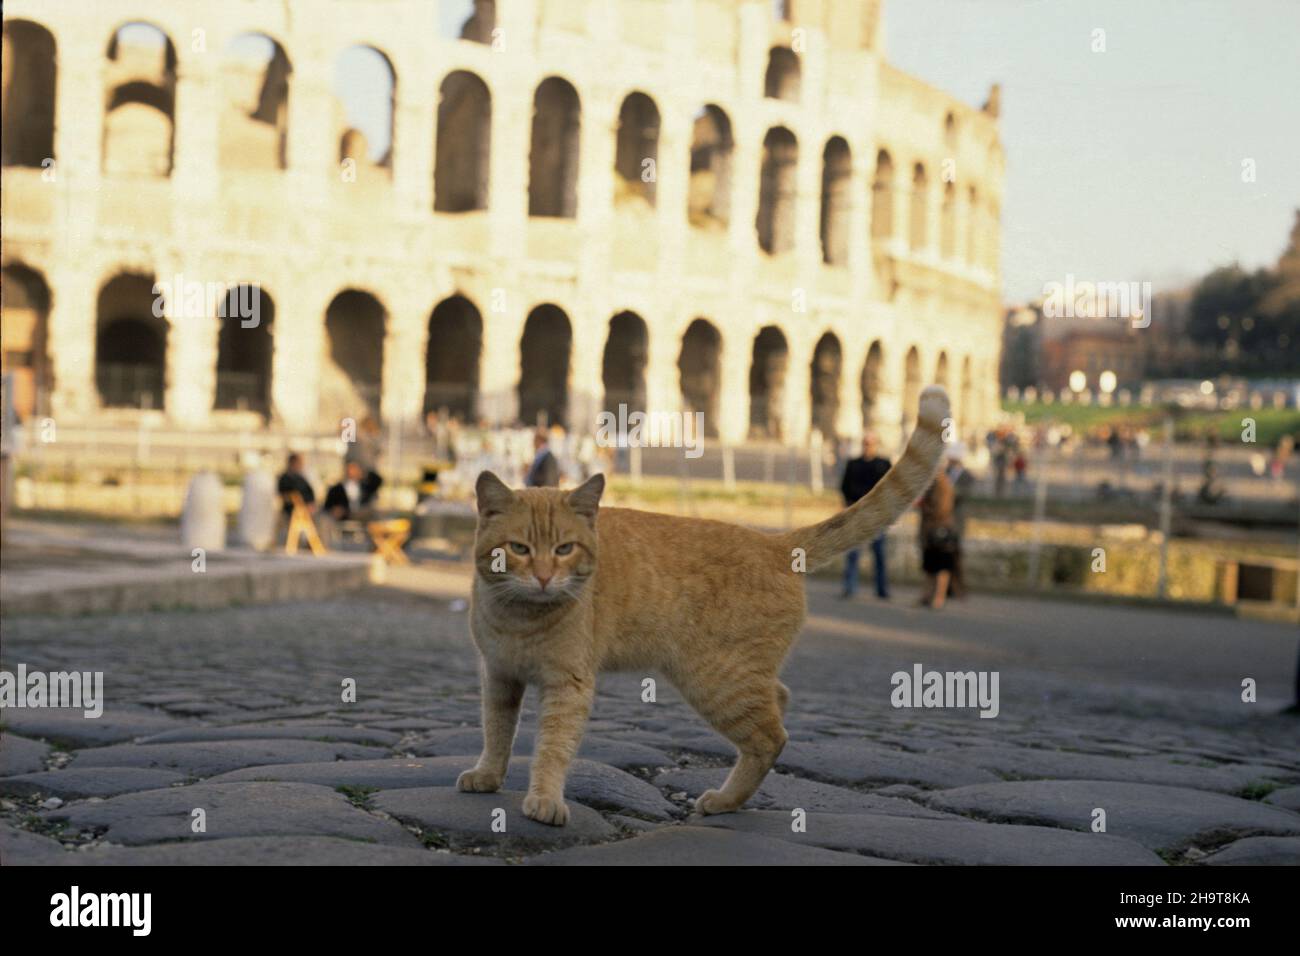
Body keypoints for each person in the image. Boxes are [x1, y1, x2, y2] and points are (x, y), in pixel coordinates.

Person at [839, 431, 892, 599]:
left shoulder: (883, 464)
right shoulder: (853, 464)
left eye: (871, 444)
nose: (868, 447)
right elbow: (845, 487)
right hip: (856, 513)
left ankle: (881, 589)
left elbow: (890, 488)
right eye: (865, 443)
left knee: (879, 553)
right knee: (853, 553)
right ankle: (850, 587)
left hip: (877, 514)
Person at [918, 470, 958, 609]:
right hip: (931, 531)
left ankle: (939, 598)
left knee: (941, 567)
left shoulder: (943, 485)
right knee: (930, 566)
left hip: (940, 531)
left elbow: (943, 509)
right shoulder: (933, 483)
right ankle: (927, 595)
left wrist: (924, 506)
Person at [945, 443, 975, 598]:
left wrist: (947, 492)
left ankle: (957, 587)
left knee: (956, 554)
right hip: (943, 519)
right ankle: (945, 588)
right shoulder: (944, 473)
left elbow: (964, 494)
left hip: (957, 520)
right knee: (942, 554)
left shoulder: (967, 476)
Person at [276, 453, 315, 518]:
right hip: (290, 514)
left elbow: (309, 492)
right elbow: (283, 496)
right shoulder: (284, 478)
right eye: (299, 463)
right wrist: (298, 501)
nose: (301, 465)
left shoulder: (300, 477)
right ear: (292, 463)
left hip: (304, 513)